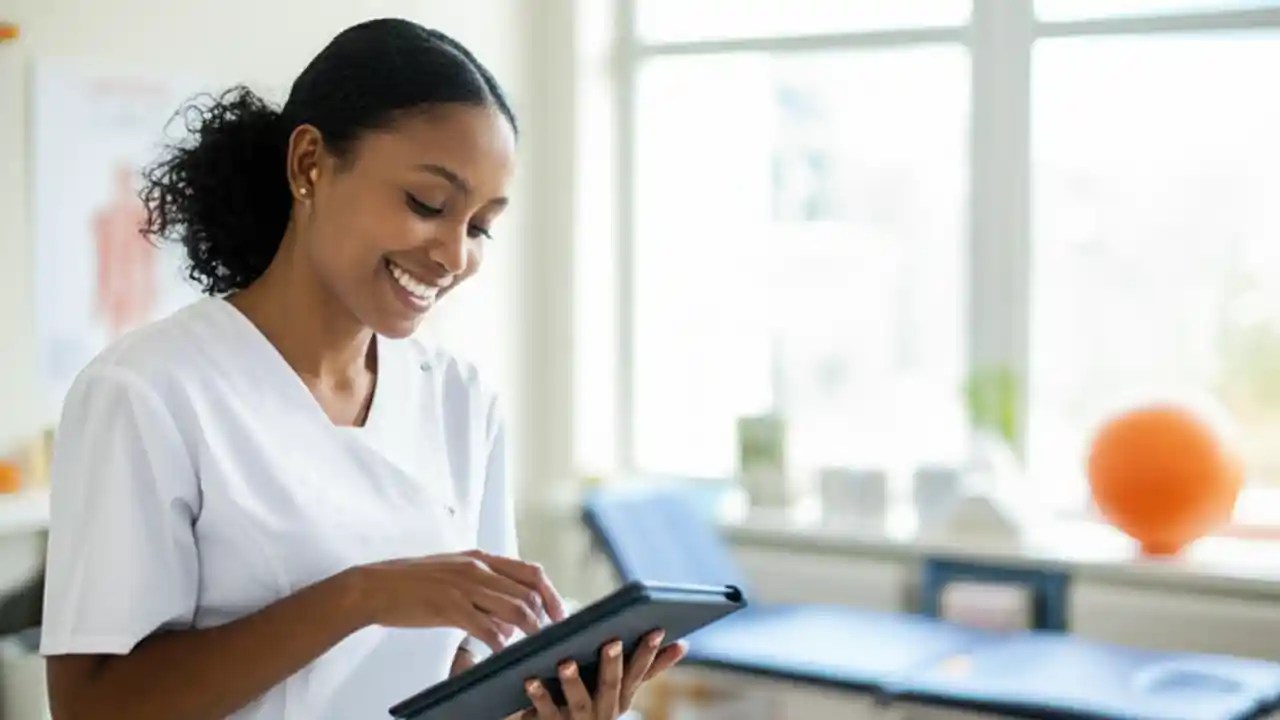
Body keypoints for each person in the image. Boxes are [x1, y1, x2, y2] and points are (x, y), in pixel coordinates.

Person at [40, 18, 684, 720]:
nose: (455, 255)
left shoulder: (461, 401)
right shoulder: (148, 392)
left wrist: (540, 709)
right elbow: (91, 706)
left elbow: (460, 666)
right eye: (427, 204)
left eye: (479, 226)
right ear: (309, 164)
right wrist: (361, 596)